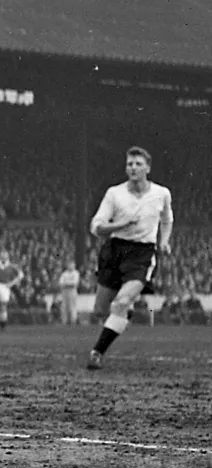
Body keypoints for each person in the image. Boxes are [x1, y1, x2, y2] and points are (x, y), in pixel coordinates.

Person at [87, 146, 173, 370]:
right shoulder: (114, 194)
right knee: (100, 310)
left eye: (137, 164)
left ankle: (97, 352)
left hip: (142, 253)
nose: (133, 168)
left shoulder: (161, 194)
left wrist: (163, 241)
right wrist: (121, 224)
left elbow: (167, 220)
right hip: (114, 250)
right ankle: (125, 314)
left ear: (148, 168)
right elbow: (96, 227)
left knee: (121, 302)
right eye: (129, 164)